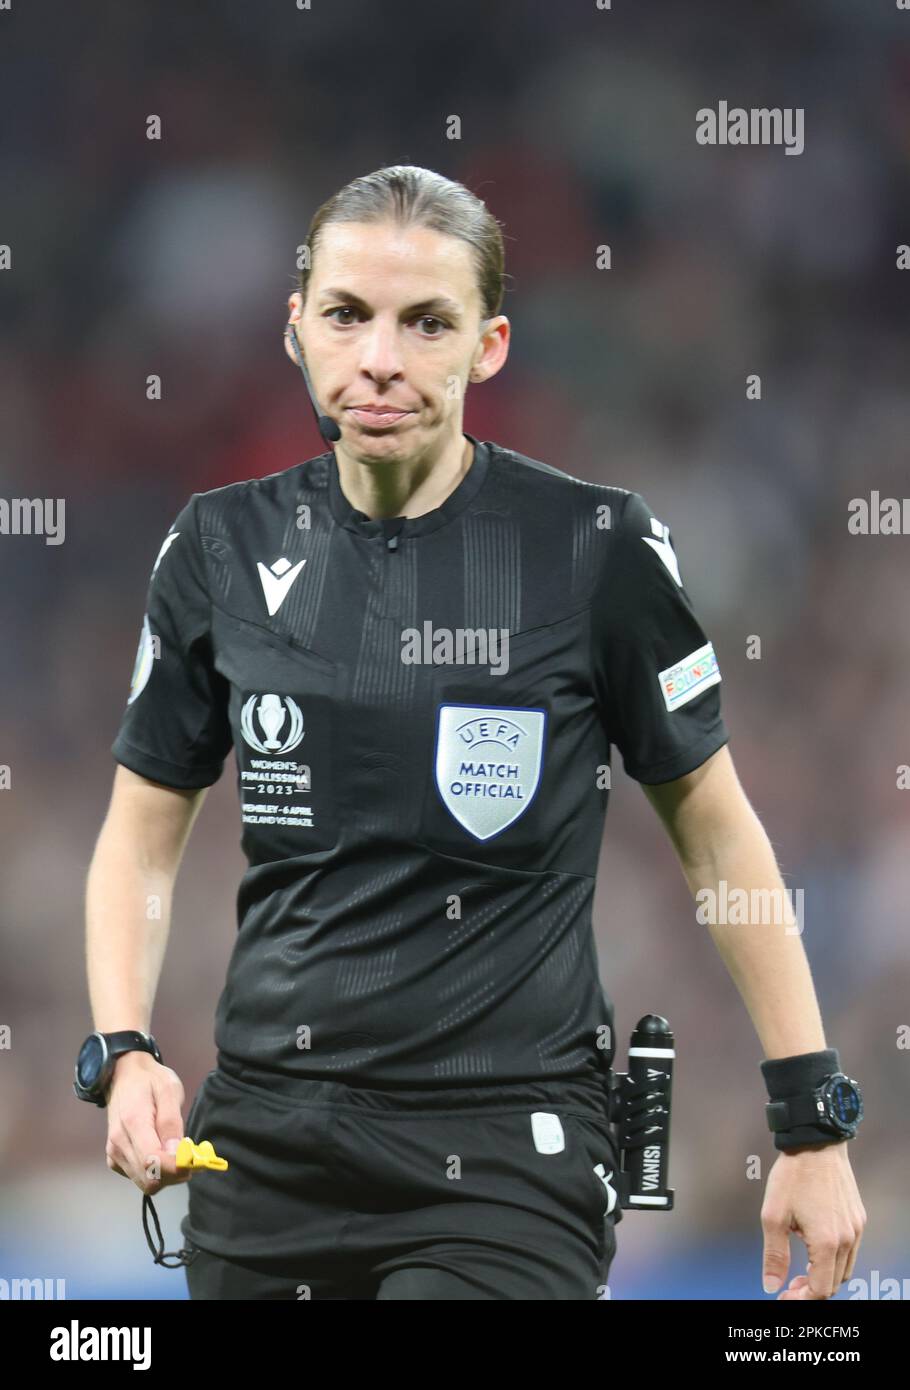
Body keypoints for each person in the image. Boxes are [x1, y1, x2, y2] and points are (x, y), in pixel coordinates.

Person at [80, 164, 866, 1301]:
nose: (381, 358)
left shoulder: (594, 548)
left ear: (487, 346)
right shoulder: (217, 547)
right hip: (267, 1146)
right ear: (297, 330)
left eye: (426, 322)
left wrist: (808, 1117)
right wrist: (124, 1048)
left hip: (506, 1157)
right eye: (347, 315)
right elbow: (139, 841)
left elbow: (716, 836)